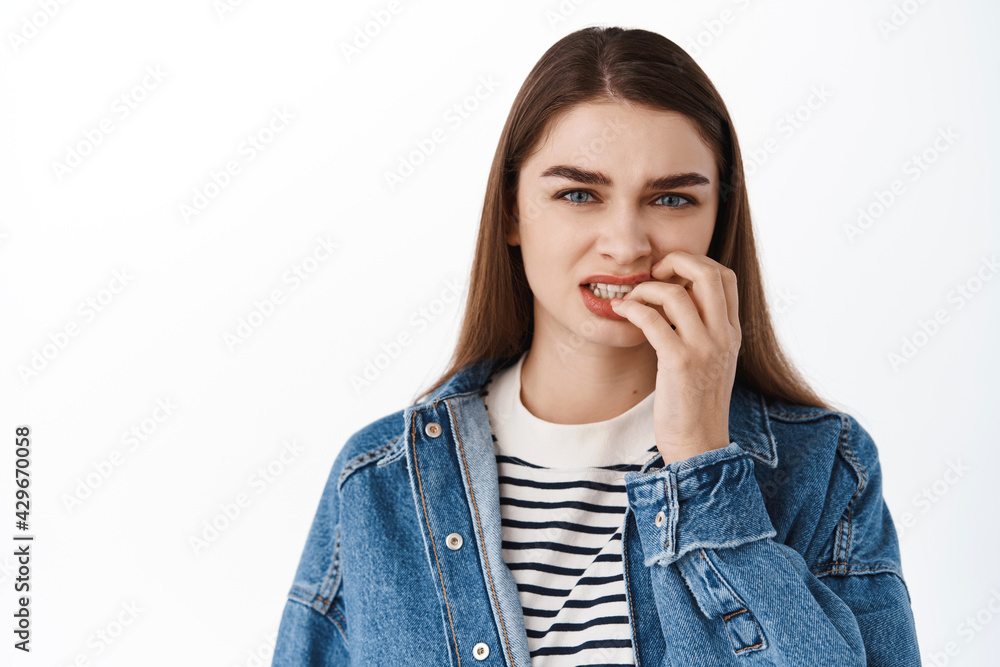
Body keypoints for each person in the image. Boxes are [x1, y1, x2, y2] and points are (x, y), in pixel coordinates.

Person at [271, 25, 920, 666]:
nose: (626, 243)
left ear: (717, 219)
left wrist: (702, 465)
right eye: (579, 193)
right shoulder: (380, 483)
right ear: (511, 211)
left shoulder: (824, 466)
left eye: (671, 198)